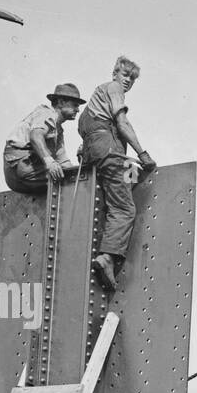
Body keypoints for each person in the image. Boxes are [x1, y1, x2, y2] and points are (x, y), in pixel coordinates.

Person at [78, 56, 156, 292]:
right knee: (124, 208)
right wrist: (143, 154)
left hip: (97, 154)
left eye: (132, 79)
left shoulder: (95, 99)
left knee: (114, 199)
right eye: (125, 75)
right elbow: (122, 124)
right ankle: (108, 256)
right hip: (110, 152)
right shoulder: (112, 89)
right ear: (115, 73)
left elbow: (87, 136)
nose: (128, 81)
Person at [2, 83, 85, 194]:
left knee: (69, 178)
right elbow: (35, 136)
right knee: (65, 180)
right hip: (19, 166)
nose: (78, 110)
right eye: (75, 105)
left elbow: (63, 161)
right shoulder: (47, 113)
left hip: (24, 171)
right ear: (60, 102)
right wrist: (49, 162)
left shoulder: (58, 129)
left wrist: (79, 173)